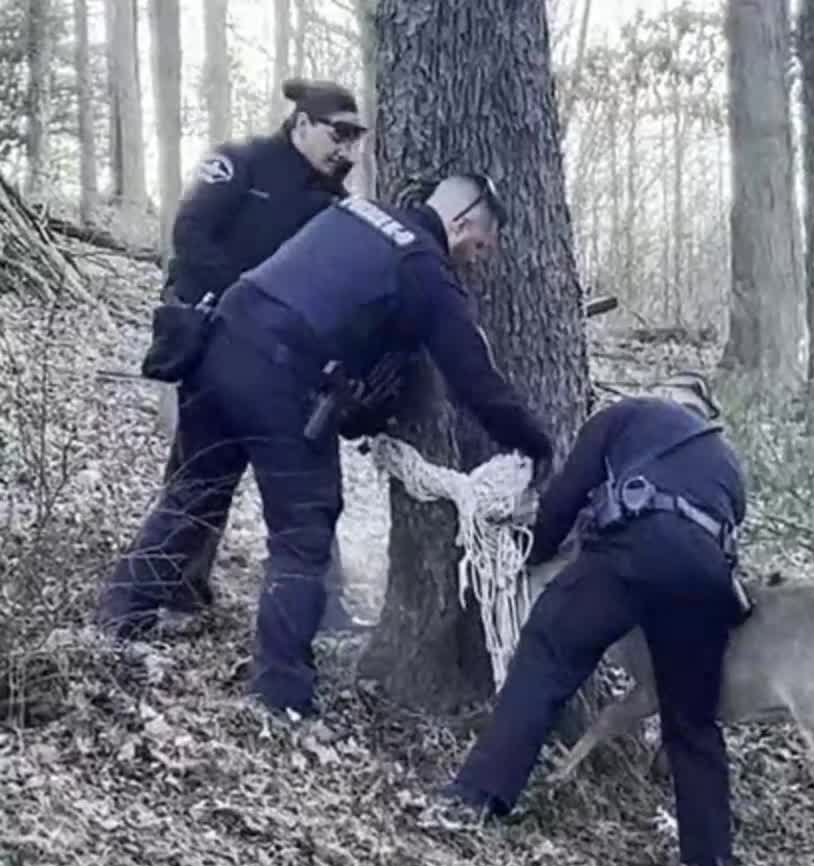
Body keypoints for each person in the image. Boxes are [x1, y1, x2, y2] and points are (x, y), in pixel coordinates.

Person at [97, 171, 554, 717]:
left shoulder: (355, 213)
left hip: (215, 346)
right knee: (301, 534)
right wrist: (533, 444)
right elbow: (474, 380)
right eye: (478, 245)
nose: (475, 260)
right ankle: (281, 697)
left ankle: (112, 631)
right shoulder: (422, 266)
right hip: (281, 379)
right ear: (459, 223)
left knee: (190, 497)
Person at [438, 373, 750, 866]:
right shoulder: (728, 464)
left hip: (631, 550)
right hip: (704, 578)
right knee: (692, 720)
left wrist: (529, 554)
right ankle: (710, 865)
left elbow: (564, 497)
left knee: (546, 654)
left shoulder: (622, 416)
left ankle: (478, 795)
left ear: (661, 397)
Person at [141, 77, 368, 621]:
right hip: (216, 343)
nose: (347, 149)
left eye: (355, 138)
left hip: (288, 364)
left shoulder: (336, 205)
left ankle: (321, 612)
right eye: (339, 134)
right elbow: (190, 234)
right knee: (200, 477)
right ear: (302, 124)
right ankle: (174, 593)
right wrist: (247, 299)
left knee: (305, 488)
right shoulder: (239, 161)